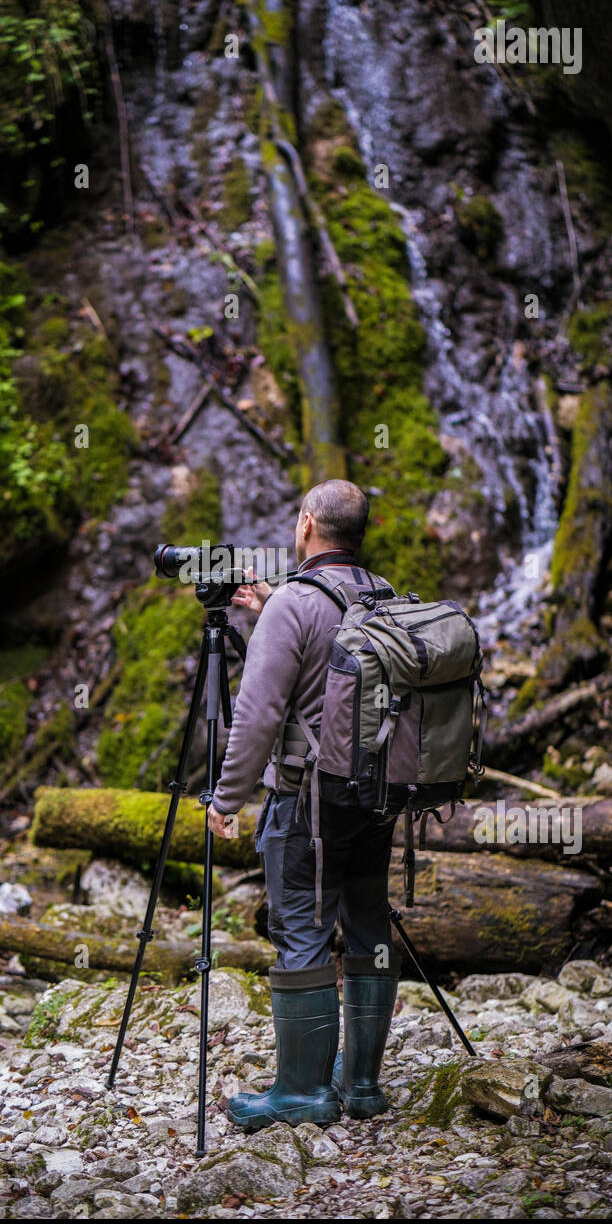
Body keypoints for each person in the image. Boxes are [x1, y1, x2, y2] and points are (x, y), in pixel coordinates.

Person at [207, 479, 401, 1131]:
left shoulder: (295, 602)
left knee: (300, 931)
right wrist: (270, 612)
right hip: (374, 795)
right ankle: (363, 1086)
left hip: (307, 799)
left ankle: (300, 1093)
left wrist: (227, 796)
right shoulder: (378, 593)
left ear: (308, 522)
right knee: (369, 924)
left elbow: (257, 712)